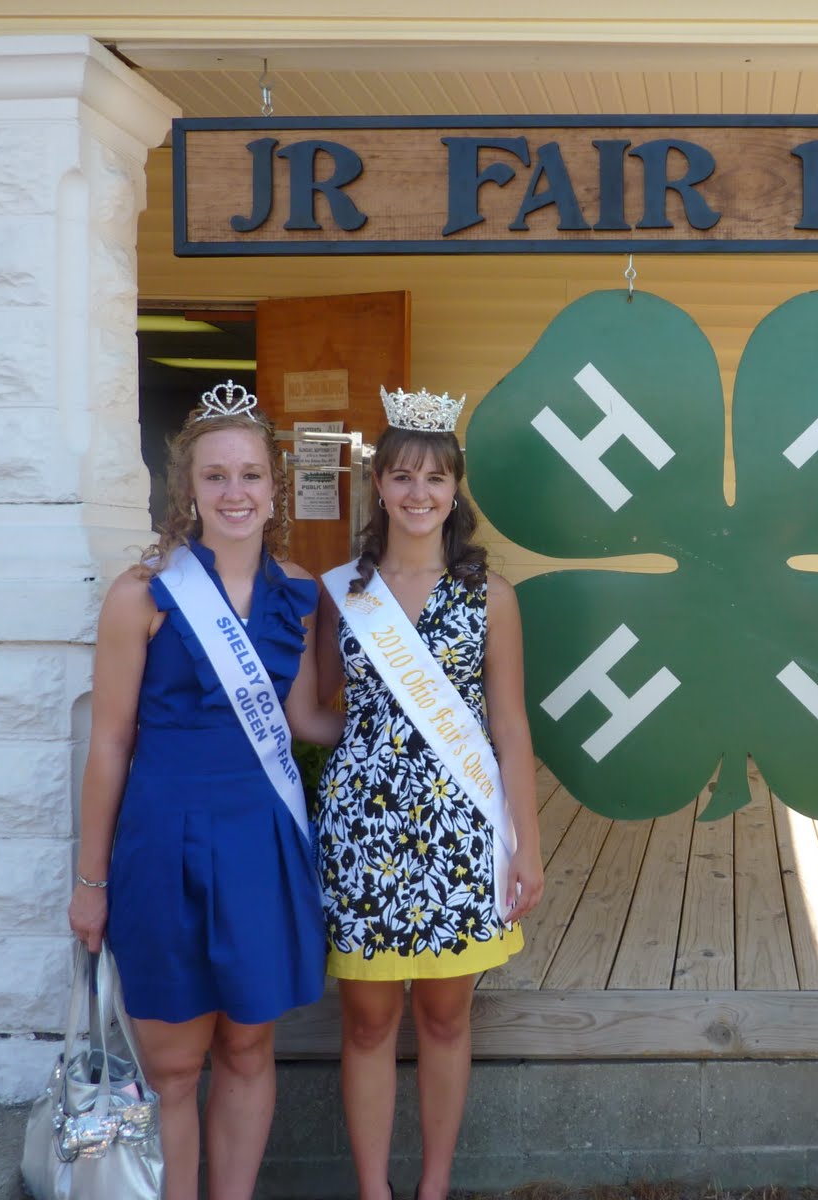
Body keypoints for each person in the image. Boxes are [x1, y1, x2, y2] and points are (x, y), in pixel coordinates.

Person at [67, 381, 342, 1200]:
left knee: (250, 1050)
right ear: (188, 485)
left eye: (251, 475)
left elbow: (301, 721)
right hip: (164, 844)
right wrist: (91, 882)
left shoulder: (298, 593)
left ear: (272, 488)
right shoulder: (141, 595)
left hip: (260, 842)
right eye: (216, 475)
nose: (235, 492)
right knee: (176, 1067)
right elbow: (110, 743)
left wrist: (407, 739)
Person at [314, 386, 544, 1200]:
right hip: (364, 831)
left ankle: (433, 1188)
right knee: (368, 1021)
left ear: (455, 491)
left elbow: (511, 729)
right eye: (402, 478)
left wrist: (528, 846)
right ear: (378, 485)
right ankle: (374, 1190)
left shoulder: (493, 598)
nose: (418, 495)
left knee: (446, 1017)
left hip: (458, 828)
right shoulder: (341, 591)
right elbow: (313, 707)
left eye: (435, 480)